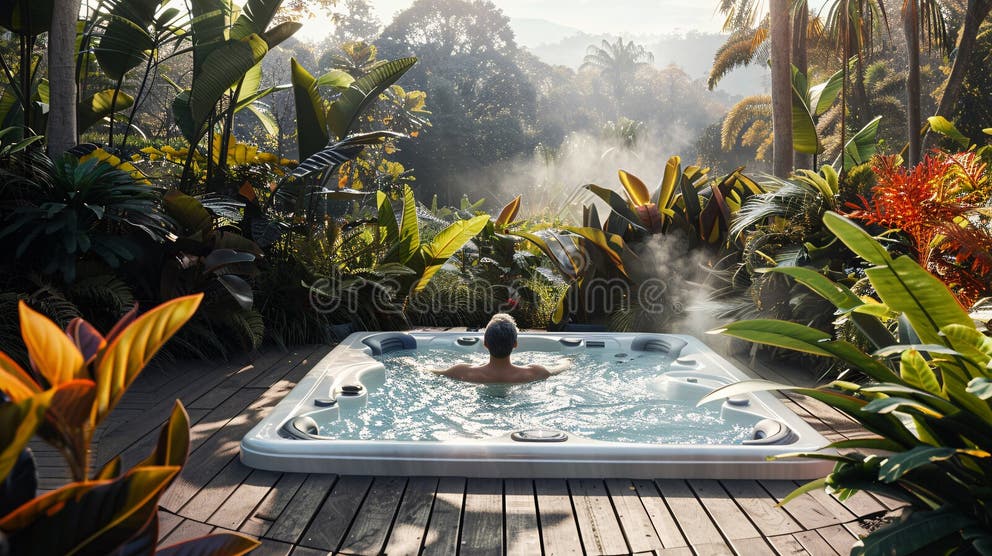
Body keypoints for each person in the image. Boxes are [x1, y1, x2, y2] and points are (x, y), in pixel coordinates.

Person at [436, 314, 569, 384]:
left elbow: (431, 371)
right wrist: (568, 360)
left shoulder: (464, 372)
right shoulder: (534, 373)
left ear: (485, 344)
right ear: (515, 344)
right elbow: (562, 368)